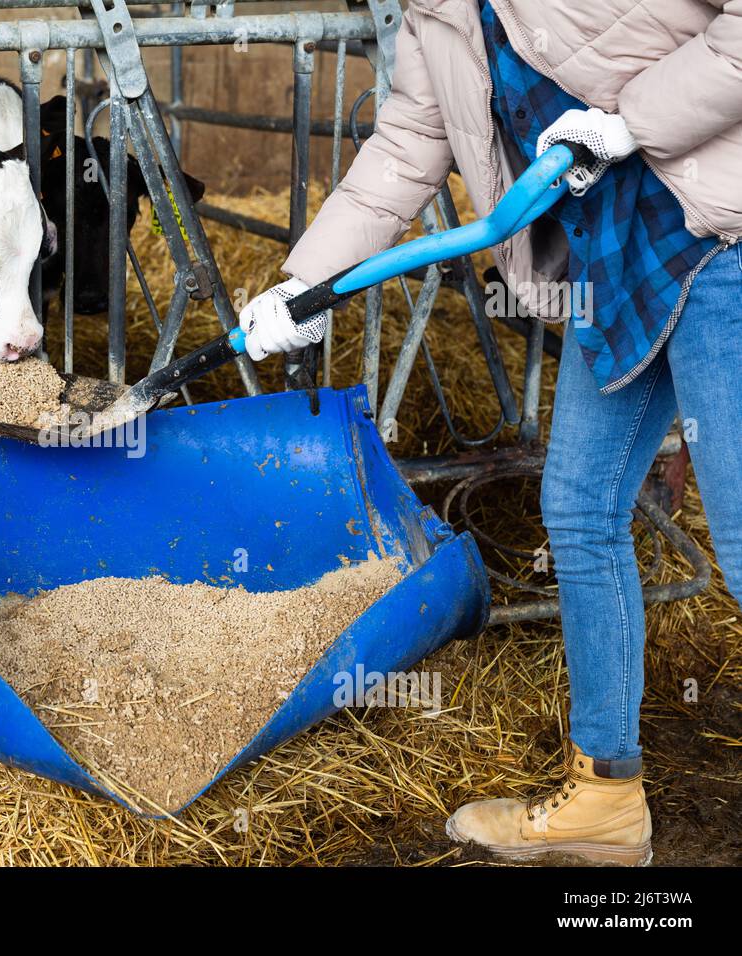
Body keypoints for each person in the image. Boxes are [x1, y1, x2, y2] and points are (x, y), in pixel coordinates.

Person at [239, 0, 742, 866]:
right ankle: (606, 799)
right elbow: (405, 145)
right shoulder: (432, 9)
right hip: (616, 265)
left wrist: (633, 123)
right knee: (580, 510)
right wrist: (305, 284)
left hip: (722, 237)